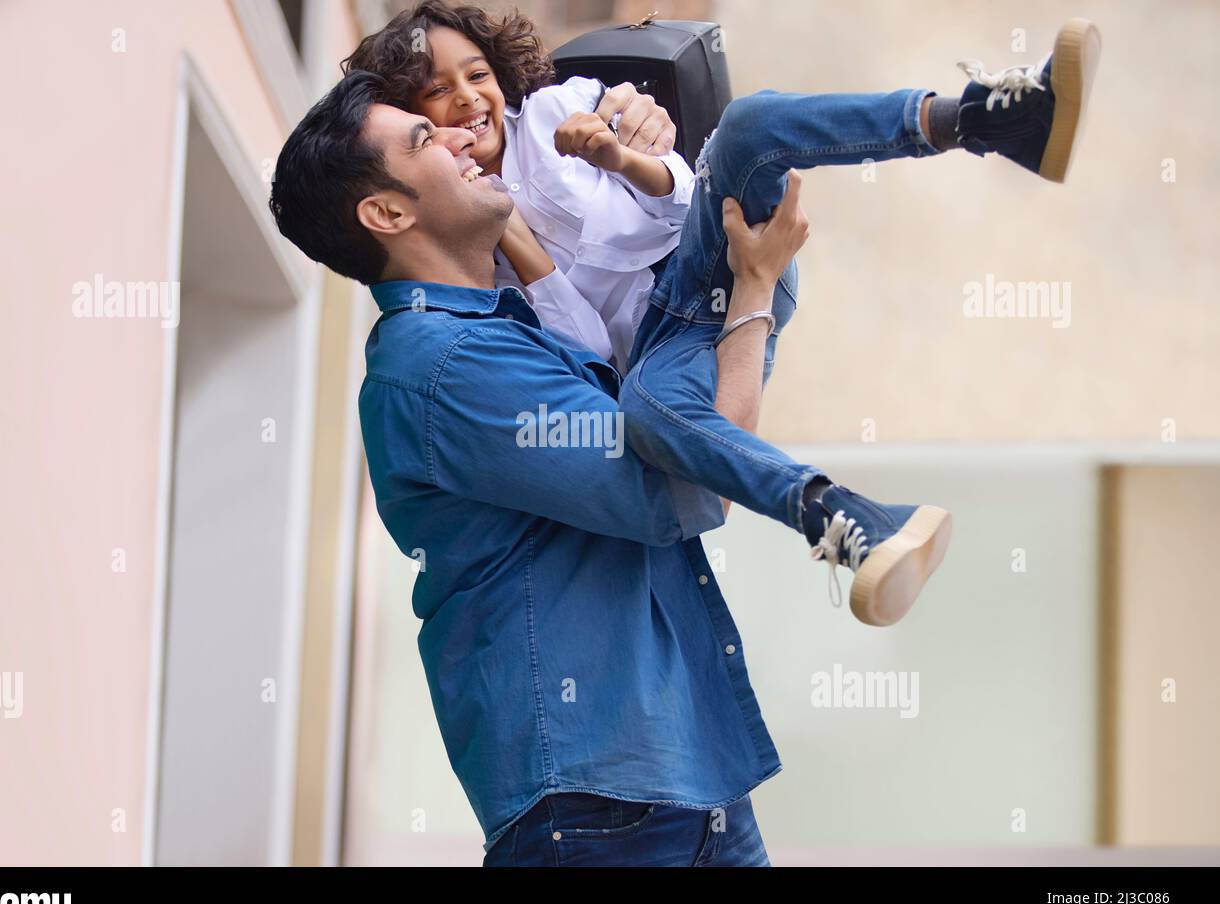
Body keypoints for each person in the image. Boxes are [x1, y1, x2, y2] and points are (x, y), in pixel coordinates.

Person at [343, 3, 1103, 624]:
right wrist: (517, 237)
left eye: (476, 74)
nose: (468, 97)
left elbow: (678, 192)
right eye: (436, 94)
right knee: (644, 411)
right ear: (419, 125)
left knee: (747, 126)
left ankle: (986, 119)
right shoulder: (480, 248)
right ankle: (850, 522)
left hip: (708, 254)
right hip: (669, 341)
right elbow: (591, 356)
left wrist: (615, 157)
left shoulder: (553, 112)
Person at [269, 69, 810, 864]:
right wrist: (753, 289)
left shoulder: (505, 325)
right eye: (426, 138)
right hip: (600, 808)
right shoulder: (449, 364)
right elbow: (683, 486)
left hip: (675, 779)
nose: (462, 133)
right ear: (386, 212)